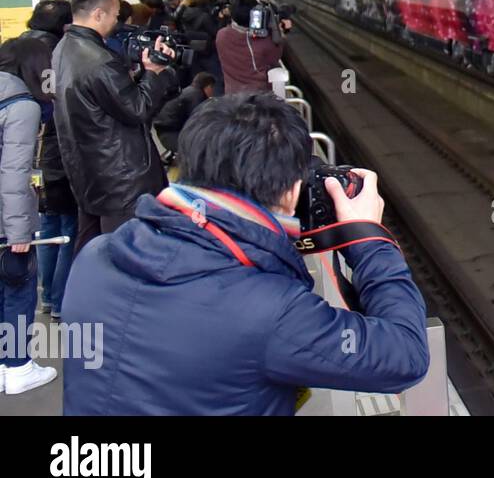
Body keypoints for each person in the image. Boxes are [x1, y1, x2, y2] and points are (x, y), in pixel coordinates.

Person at [62, 93, 429, 414]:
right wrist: (367, 239)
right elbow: (405, 356)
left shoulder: (97, 255)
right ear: (290, 190)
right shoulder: (270, 311)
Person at [53, 0, 179, 254]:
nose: (116, 21)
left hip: (90, 176)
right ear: (98, 14)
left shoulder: (63, 48)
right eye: (113, 15)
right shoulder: (99, 61)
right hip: (121, 181)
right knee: (125, 256)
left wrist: (133, 76)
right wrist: (155, 72)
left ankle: (82, 297)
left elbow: (104, 99)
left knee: (90, 251)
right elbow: (138, 108)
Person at [0, 37, 57, 395]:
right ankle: (18, 366)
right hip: (8, 220)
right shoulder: (21, 105)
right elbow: (14, 174)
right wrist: (20, 232)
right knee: (18, 288)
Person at [17, 0, 77, 319]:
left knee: (46, 225)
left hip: (26, 153)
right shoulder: (56, 53)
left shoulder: (15, 48)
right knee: (68, 226)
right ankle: (58, 299)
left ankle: (45, 296)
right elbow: (55, 104)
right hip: (56, 150)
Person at [216, 0, 286, 93]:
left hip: (231, 94)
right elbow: (275, 57)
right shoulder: (263, 42)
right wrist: (275, 31)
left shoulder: (221, 35)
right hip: (258, 95)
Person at [153, 71, 215, 154]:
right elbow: (198, 120)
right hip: (171, 134)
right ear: (207, 86)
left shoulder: (190, 91)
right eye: (212, 88)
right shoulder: (196, 95)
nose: (213, 92)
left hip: (166, 130)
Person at [176, 0, 223, 93]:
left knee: (195, 78)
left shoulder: (183, 13)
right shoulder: (204, 16)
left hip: (191, 48)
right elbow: (215, 31)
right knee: (216, 77)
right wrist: (221, 19)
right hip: (207, 50)